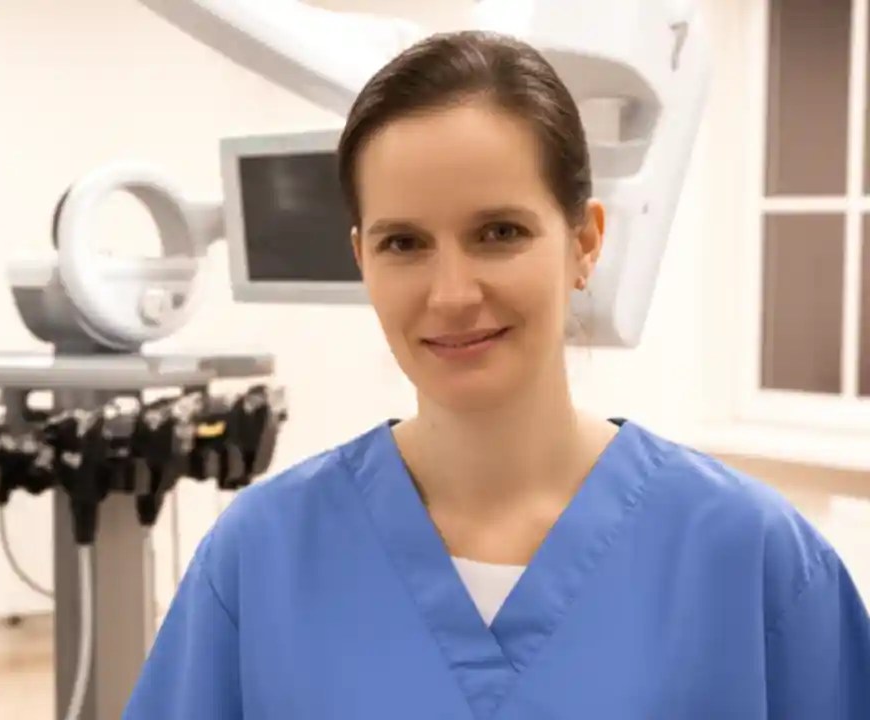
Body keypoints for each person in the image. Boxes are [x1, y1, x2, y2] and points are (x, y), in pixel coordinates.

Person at [123, 30, 870, 720]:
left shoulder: (750, 559)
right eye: (404, 243)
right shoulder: (262, 560)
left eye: (499, 233)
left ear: (584, 242)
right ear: (361, 260)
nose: (451, 294)